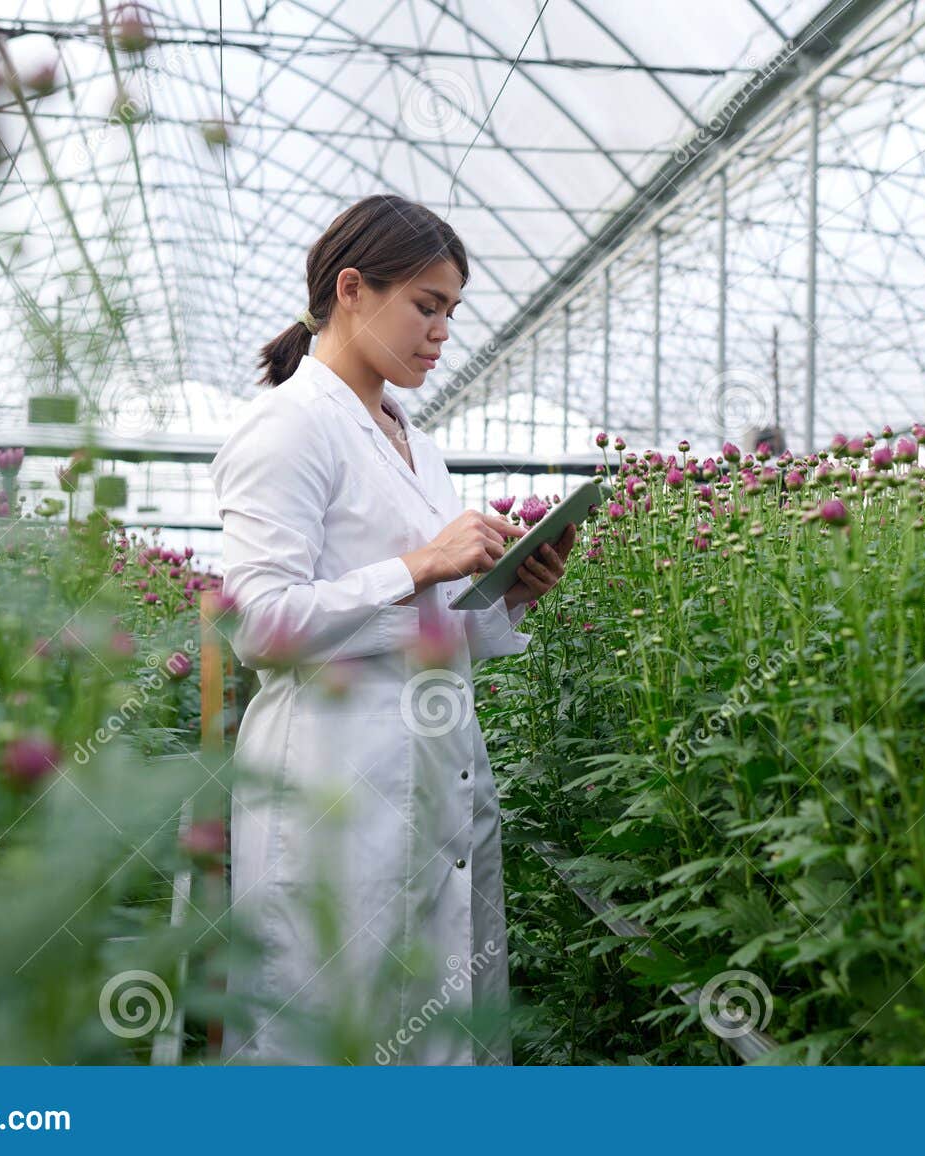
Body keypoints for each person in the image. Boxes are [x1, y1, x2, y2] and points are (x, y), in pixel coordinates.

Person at [208, 194, 575, 1064]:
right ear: (351, 290)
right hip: (333, 787)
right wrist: (419, 564)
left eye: (451, 311)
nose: (442, 331)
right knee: (329, 1037)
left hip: (433, 780)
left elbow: (434, 628)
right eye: (426, 304)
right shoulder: (288, 426)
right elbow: (260, 626)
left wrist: (512, 592)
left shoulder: (417, 441)